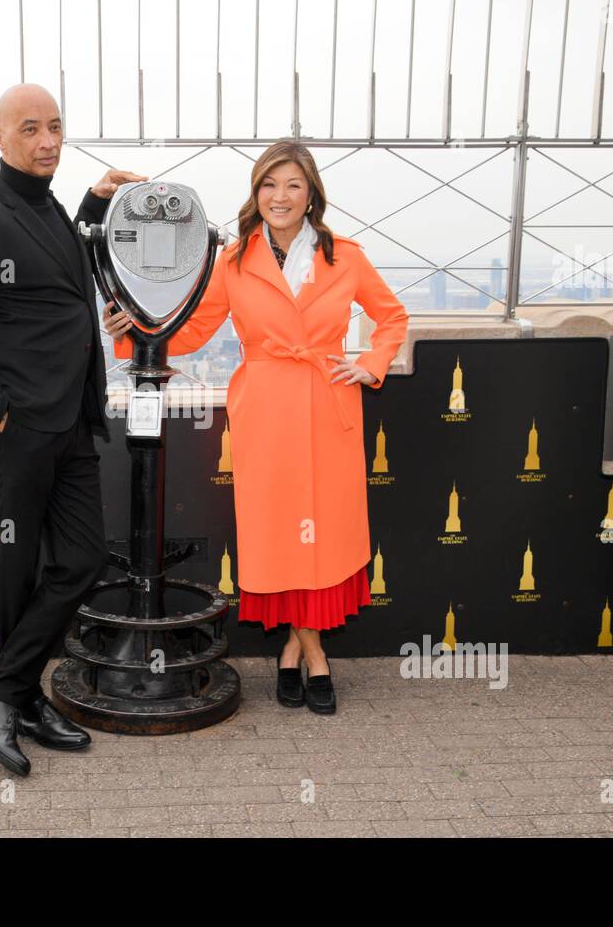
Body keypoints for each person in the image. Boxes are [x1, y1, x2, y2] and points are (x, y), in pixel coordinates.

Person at [106, 140, 408, 715]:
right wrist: (133, 329)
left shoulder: (346, 255)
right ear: (256, 192)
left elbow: (391, 317)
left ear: (311, 192)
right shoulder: (235, 260)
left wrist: (367, 364)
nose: (280, 196)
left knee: (323, 534)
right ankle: (310, 652)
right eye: (269, 185)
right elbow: (193, 331)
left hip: (328, 401)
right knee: (280, 531)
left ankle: (300, 652)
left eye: (293, 185)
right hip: (266, 407)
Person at [0, 83, 146, 776]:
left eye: (55, 127)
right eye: (29, 129)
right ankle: (15, 699)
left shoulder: (47, 208)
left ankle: (6, 695)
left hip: (70, 424)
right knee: (16, 572)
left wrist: (95, 205)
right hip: (18, 431)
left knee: (79, 560)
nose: (47, 140)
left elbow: (62, 262)